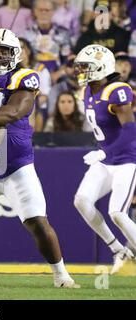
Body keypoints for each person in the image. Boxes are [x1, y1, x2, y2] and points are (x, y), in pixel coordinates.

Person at [0, 28, 79, 288]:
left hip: (14, 167)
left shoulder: (24, 77)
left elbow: (13, 111)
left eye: (4, 51)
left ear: (16, 54)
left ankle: (61, 273)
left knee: (37, 222)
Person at [73, 44, 136, 274]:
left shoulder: (116, 90)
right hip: (106, 160)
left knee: (117, 212)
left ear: (101, 67)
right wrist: (104, 154)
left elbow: (130, 131)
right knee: (81, 201)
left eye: (86, 67)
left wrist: (104, 152)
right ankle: (118, 250)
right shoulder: (88, 90)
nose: (82, 72)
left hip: (127, 160)